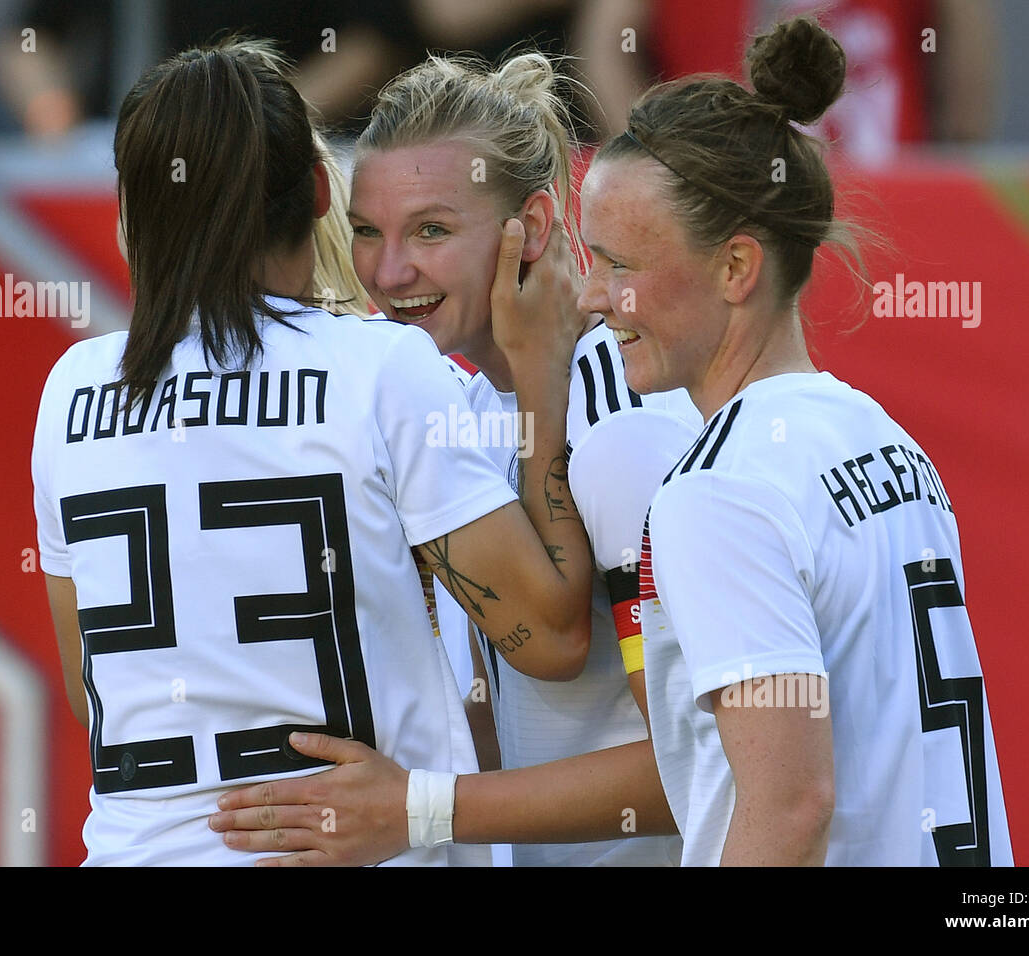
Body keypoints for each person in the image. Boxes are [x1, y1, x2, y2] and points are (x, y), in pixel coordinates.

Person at [32, 38, 594, 866]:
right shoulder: (383, 367)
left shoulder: (69, 390)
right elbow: (552, 639)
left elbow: (98, 694)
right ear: (324, 190)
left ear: (132, 208)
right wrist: (545, 386)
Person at [212, 51, 700, 867]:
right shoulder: (460, 408)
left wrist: (418, 810)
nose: (390, 272)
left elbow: (707, 765)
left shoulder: (622, 420)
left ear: (534, 229)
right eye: (366, 232)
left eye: (432, 231)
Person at [580, 15, 1011, 864]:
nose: (593, 298)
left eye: (619, 265)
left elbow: (790, 811)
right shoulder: (883, 437)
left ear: (737, 269)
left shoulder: (719, 489)